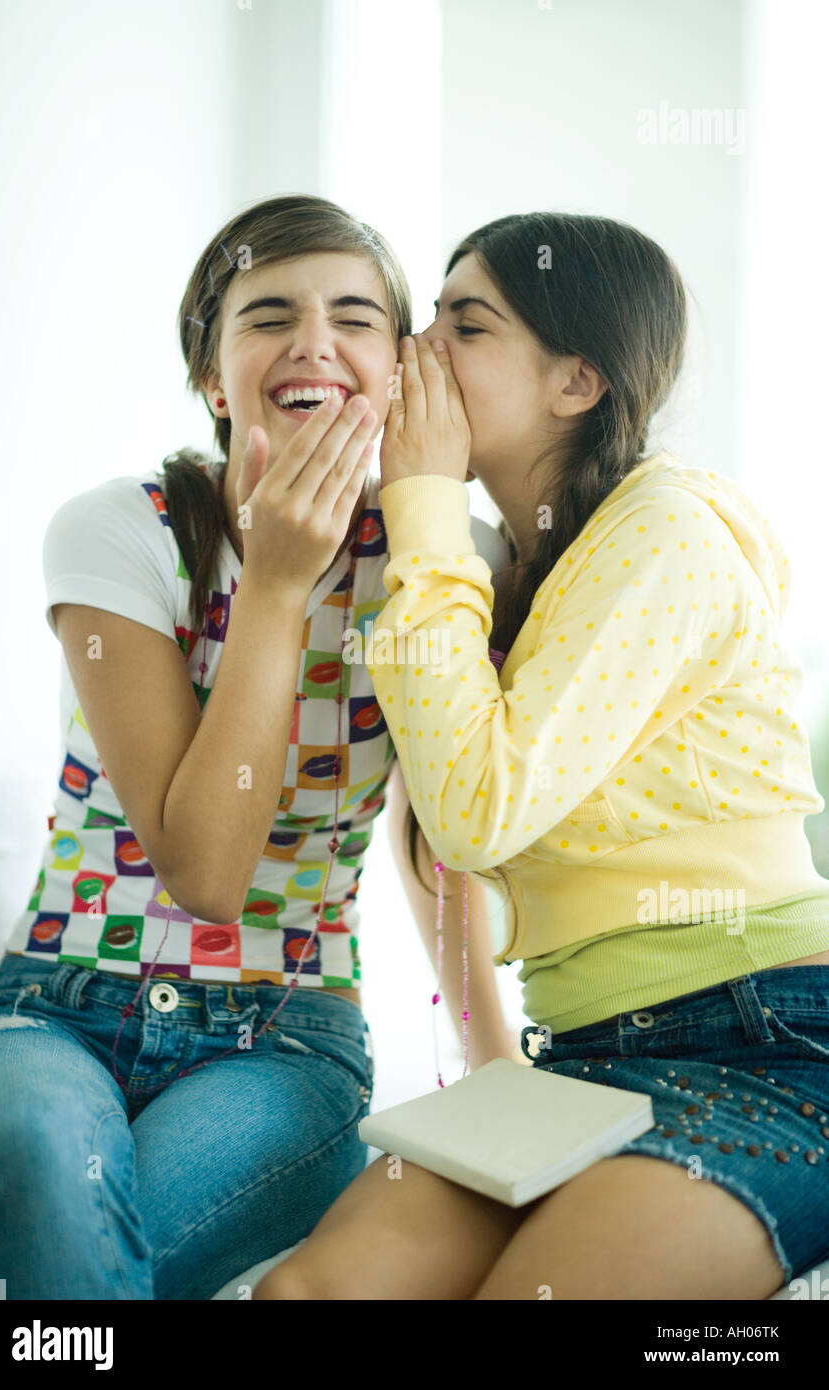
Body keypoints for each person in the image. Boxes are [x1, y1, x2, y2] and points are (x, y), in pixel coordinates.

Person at [254, 211, 829, 1302]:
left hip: (768, 1040)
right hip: (584, 1052)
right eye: (426, 319)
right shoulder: (511, 568)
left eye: (464, 326)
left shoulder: (664, 532)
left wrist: (419, 498)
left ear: (577, 383)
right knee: (306, 1293)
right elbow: (434, 832)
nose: (418, 354)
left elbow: (479, 810)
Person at [0, 195, 513, 1301]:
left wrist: (494, 1064)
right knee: (47, 1166)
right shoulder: (121, 530)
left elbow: (434, 820)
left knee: (98, 1238)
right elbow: (204, 868)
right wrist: (271, 585)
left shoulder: (447, 557)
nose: (314, 340)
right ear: (215, 379)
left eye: (355, 317)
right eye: (269, 316)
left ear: (397, 372)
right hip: (54, 1008)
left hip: (285, 1037)